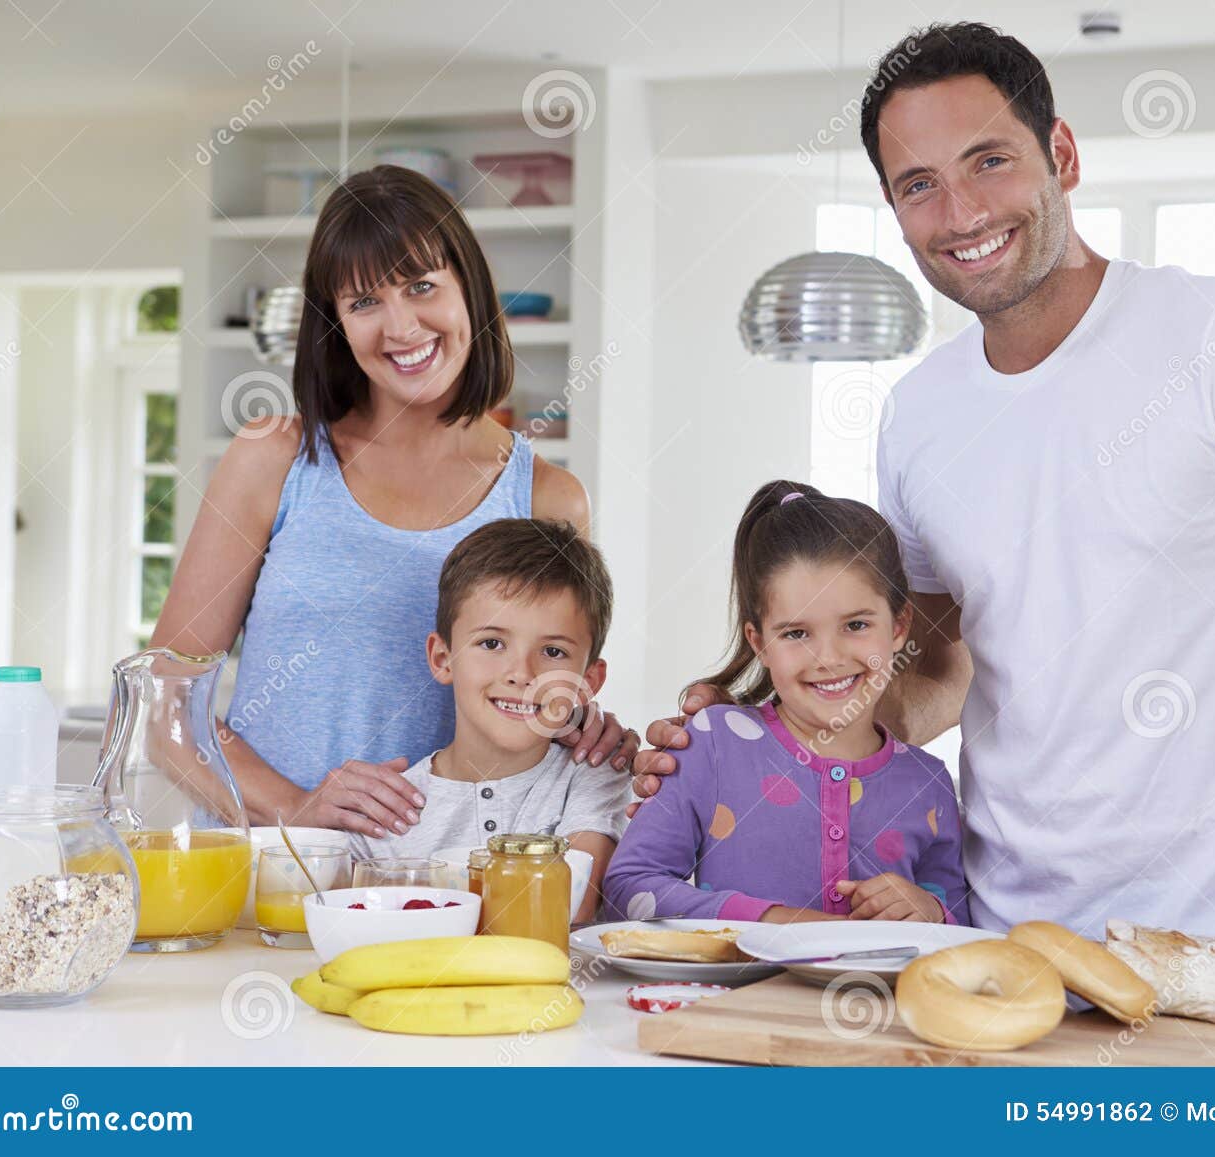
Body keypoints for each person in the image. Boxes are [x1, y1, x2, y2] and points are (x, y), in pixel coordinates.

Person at [633, 22, 1215, 1018]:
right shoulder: (917, 412)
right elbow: (930, 674)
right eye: (916, 183)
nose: (958, 211)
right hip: (1007, 954)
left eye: (988, 161)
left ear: (1061, 156)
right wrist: (756, 731)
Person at [152, 165, 637, 841]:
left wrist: (580, 725)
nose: (401, 326)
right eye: (363, 302)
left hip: (447, 888)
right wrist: (295, 808)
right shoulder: (274, 458)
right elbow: (163, 707)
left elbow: (523, 702)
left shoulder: (548, 499)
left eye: (421, 285)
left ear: (468, 288)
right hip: (271, 885)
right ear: (335, 325)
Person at [604, 481, 969, 925]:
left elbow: (960, 935)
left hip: (875, 998)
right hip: (732, 998)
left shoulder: (928, 784)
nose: (829, 658)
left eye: (856, 624)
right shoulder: (713, 743)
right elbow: (630, 887)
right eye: (796, 633)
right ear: (759, 642)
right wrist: (779, 922)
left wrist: (930, 912)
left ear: (899, 626)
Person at [348, 518, 629, 922]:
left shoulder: (595, 778)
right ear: (443, 659)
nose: (521, 673)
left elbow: (570, 903)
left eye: (552, 652)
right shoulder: (389, 810)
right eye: (492, 643)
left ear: (587, 680)